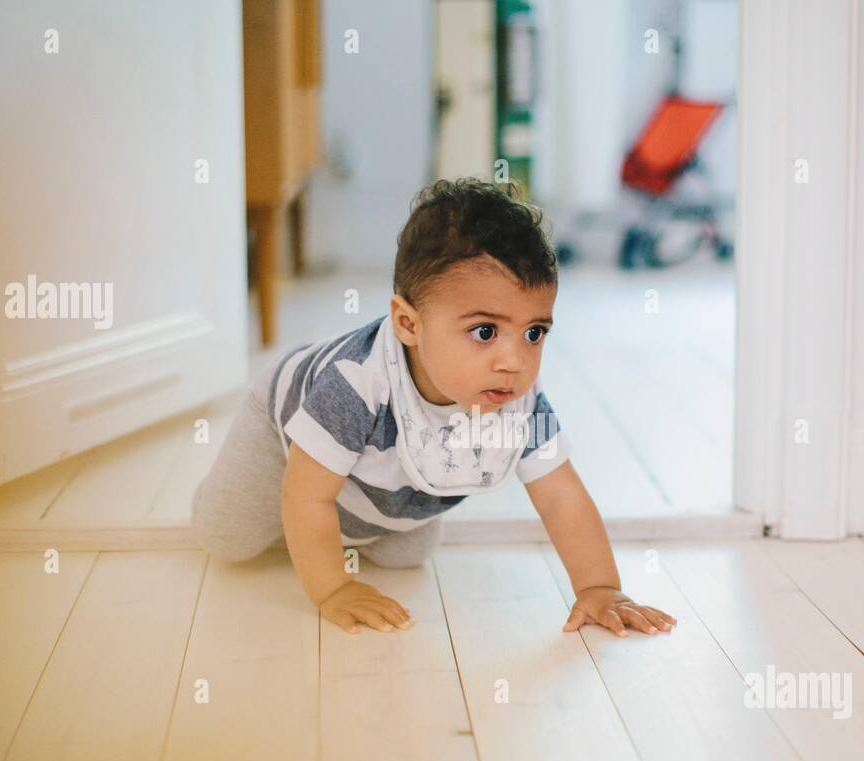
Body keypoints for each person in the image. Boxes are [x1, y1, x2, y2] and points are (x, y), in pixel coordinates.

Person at [192, 177, 676, 639]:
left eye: (534, 332)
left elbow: (562, 497)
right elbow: (306, 497)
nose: (513, 361)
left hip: (383, 479)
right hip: (285, 429)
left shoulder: (518, 401)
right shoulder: (354, 384)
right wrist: (333, 589)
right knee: (228, 536)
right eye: (485, 331)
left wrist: (599, 587)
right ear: (407, 323)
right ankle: (306, 530)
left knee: (409, 551)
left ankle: (335, 525)